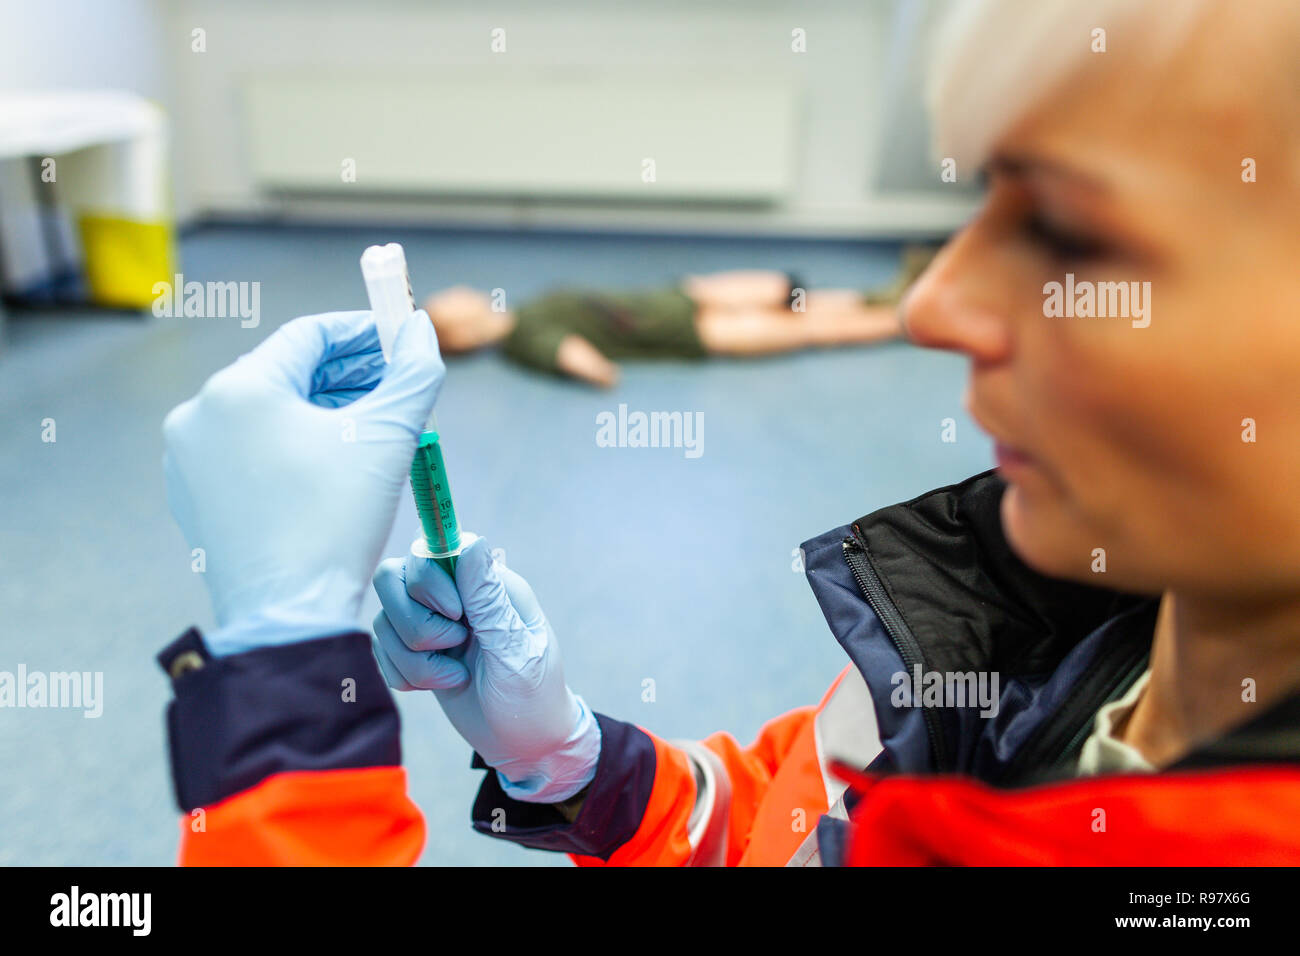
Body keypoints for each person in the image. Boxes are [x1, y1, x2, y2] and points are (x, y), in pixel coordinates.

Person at [158, 0, 1300, 865]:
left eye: (1068, 232)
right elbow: (791, 823)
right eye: (979, 203)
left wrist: (285, 706)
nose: (937, 306)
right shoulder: (1024, 632)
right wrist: (576, 759)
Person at [421, 251, 933, 387]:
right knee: (804, 327)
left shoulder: (527, 311)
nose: (460, 291)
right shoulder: (527, 338)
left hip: (684, 297)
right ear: (465, 334)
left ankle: (885, 296)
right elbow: (590, 365)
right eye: (452, 301)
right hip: (689, 330)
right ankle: (911, 316)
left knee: (791, 295)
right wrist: (587, 363)